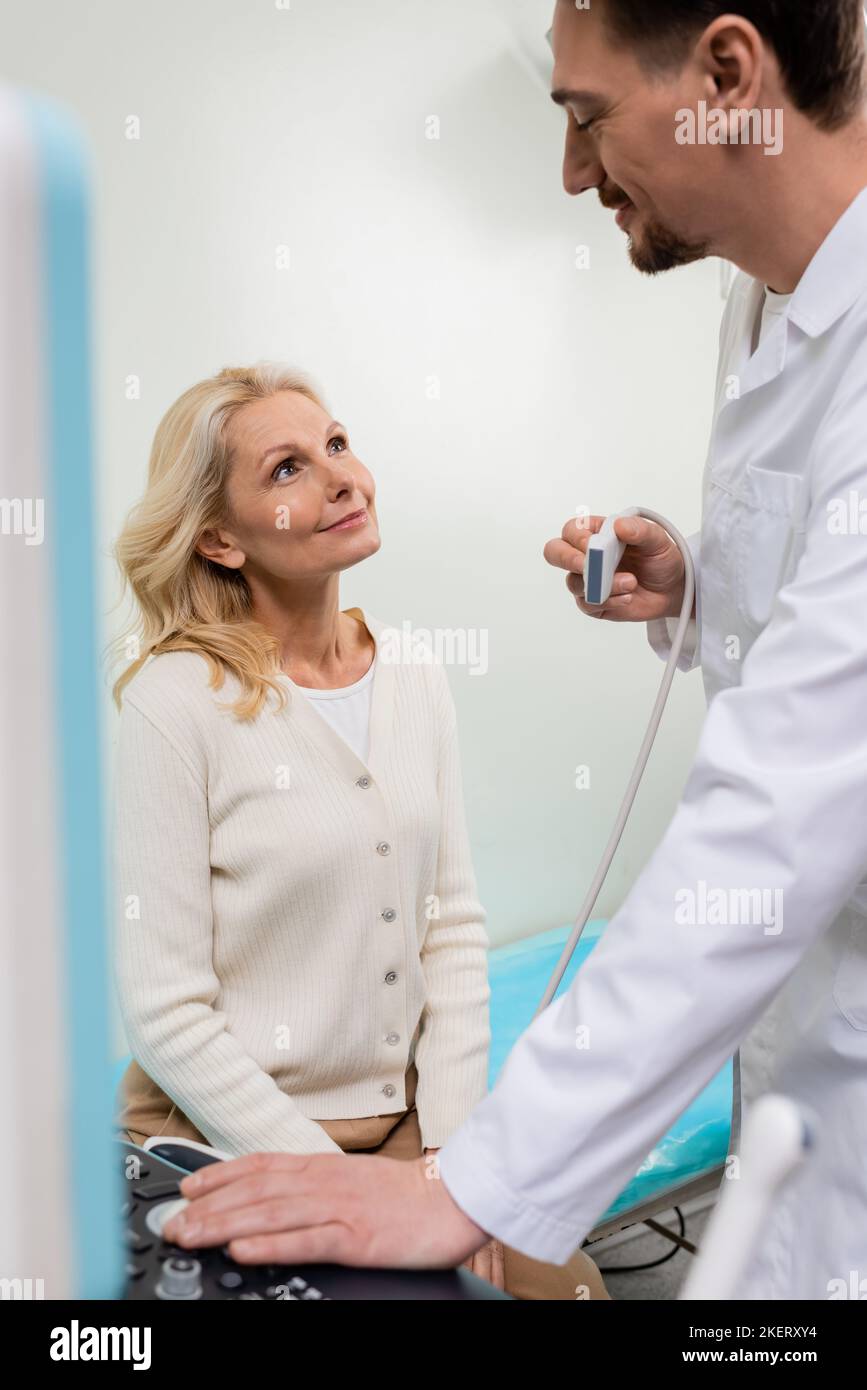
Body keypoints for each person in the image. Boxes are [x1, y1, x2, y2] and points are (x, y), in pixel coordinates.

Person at [163, 0, 867, 1300]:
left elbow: (782, 802)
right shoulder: (759, 305)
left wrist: (468, 1179)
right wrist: (692, 586)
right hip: (789, 1037)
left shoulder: (410, 677)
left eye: (584, 119)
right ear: (214, 539)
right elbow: (816, 618)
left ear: (725, 71)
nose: (569, 171)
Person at [110, 362, 609, 1300]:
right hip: (239, 1137)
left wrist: (451, 1165)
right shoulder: (175, 704)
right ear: (218, 540)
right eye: (288, 468)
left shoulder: (415, 672)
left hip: (411, 1131)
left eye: (336, 444)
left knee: (569, 1292)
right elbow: (168, 1012)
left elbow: (451, 925)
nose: (342, 476)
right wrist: (333, 1186)